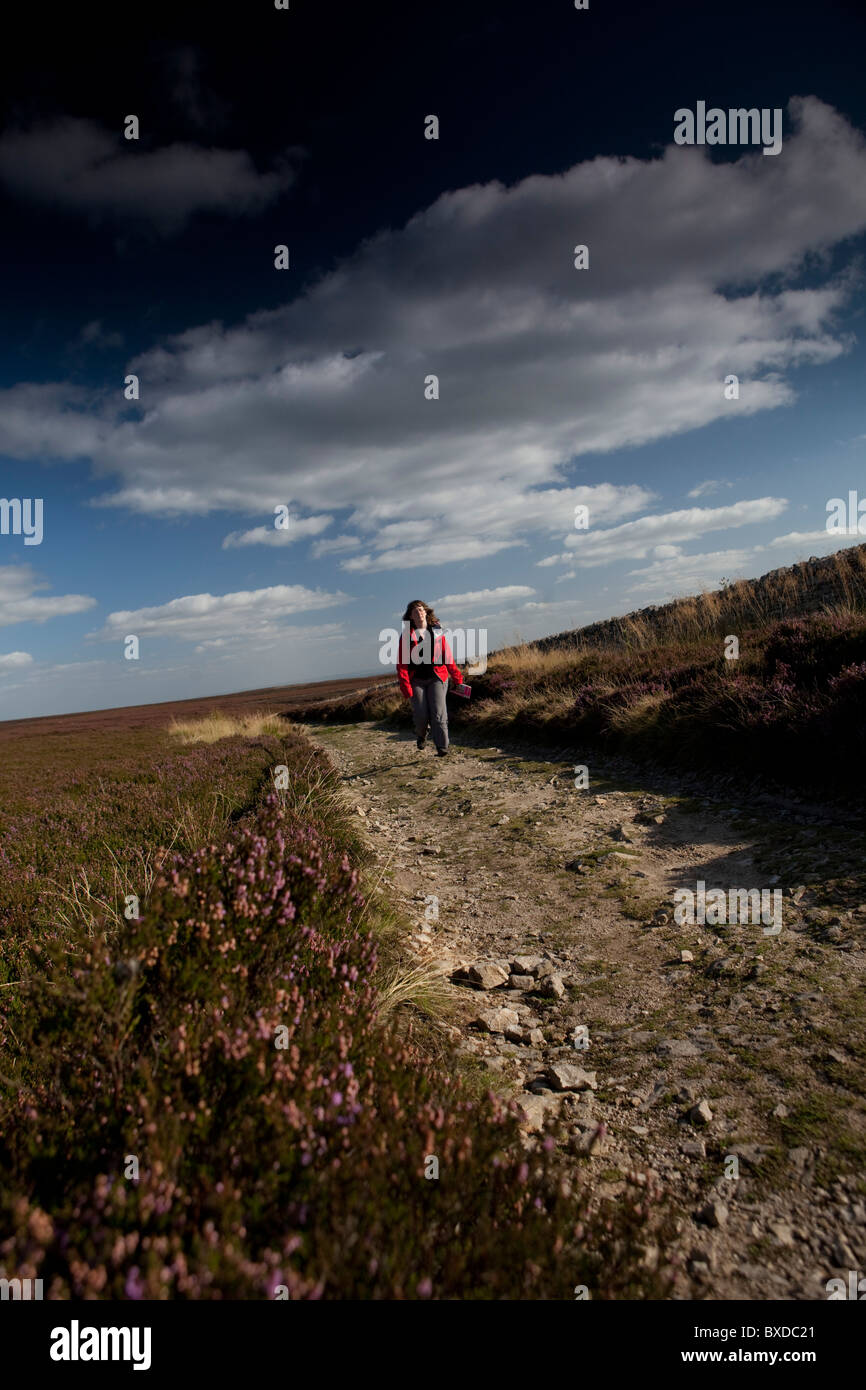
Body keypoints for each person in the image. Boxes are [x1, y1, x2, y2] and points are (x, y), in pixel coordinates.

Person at [396, 599, 463, 755]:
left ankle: (442, 747)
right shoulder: (406, 635)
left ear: (425, 612)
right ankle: (422, 734)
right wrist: (405, 685)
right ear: (410, 616)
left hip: (437, 677)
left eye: (420, 609)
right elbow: (401, 664)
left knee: (439, 713)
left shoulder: (437, 631)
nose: (418, 612)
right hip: (416, 680)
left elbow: (447, 655)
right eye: (414, 611)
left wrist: (457, 677)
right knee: (421, 714)